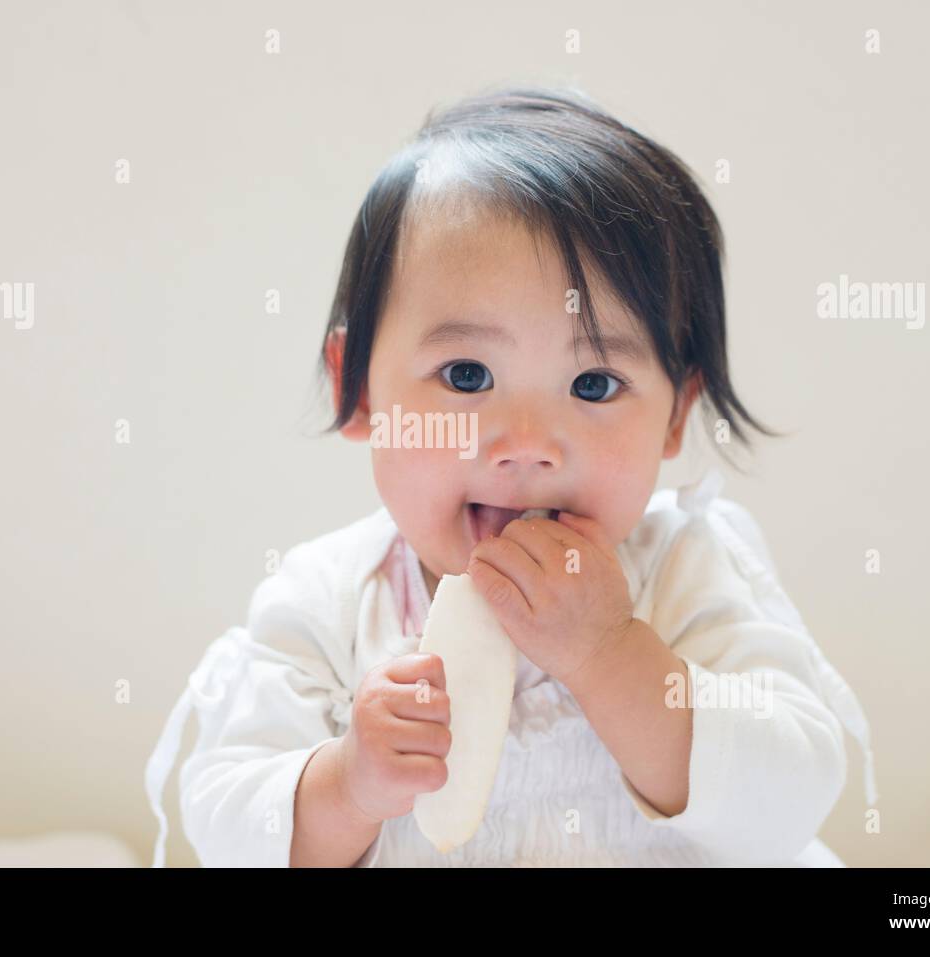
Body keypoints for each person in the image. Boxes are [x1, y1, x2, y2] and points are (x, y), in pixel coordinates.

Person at [146, 86, 877, 867]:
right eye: (466, 374)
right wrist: (349, 784)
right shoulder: (326, 603)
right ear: (357, 388)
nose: (526, 445)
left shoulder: (685, 573)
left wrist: (611, 656)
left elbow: (789, 799)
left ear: (674, 417)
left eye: (593, 384)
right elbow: (229, 824)